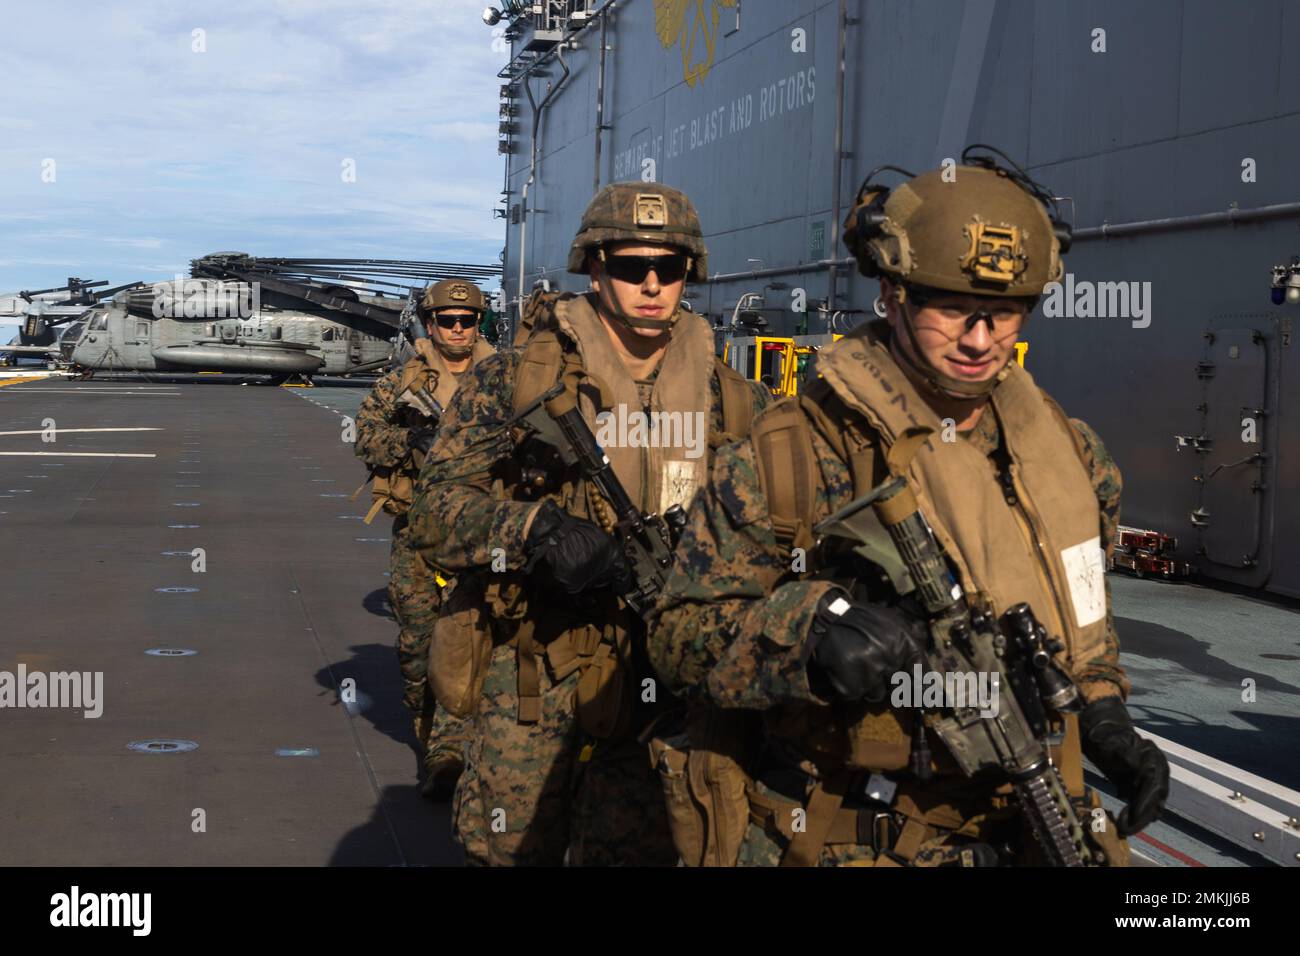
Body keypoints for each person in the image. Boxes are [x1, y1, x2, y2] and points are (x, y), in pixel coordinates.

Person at [647, 151, 1169, 866]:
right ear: (892, 297)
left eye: (1004, 312)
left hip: (1034, 817)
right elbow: (679, 638)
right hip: (862, 831)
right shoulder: (792, 455)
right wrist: (810, 634)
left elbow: (1079, 607)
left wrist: (1105, 711)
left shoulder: (1070, 456)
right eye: (953, 309)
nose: (981, 340)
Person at [407, 182, 768, 865]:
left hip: (667, 680)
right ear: (596, 268)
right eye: (633, 267)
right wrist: (533, 531)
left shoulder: (734, 398)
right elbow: (433, 512)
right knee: (512, 851)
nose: (653, 284)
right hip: (538, 670)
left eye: (671, 267)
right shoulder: (518, 382)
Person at [354, 278, 495, 798]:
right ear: (429, 324)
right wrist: (409, 437)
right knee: (418, 644)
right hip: (419, 530)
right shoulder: (402, 383)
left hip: (483, 531)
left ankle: (454, 753)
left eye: (467, 321)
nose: (457, 330)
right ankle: (431, 734)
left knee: (481, 641)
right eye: (446, 321)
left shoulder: (506, 377)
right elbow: (363, 437)